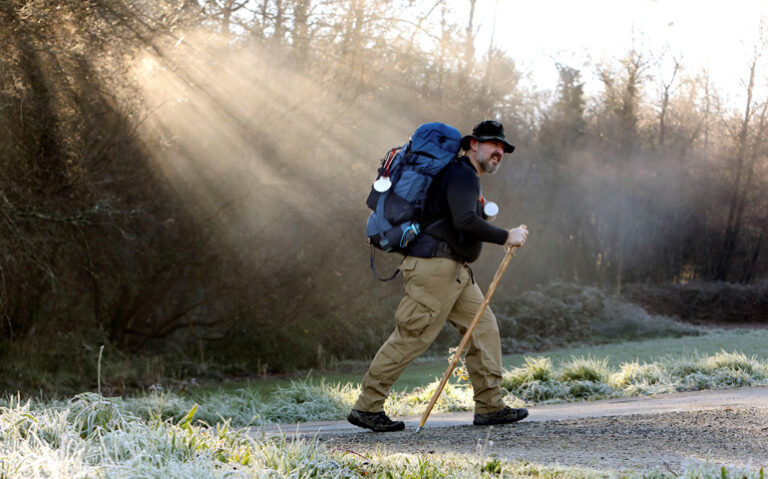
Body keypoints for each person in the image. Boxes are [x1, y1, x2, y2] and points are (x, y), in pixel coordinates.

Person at [348, 120, 530, 432]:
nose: (499, 151)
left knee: (483, 328)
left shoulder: (463, 175)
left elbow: (461, 219)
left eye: (502, 147)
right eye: (492, 144)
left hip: (454, 271)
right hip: (435, 269)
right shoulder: (461, 174)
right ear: (473, 144)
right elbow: (464, 222)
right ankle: (367, 407)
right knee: (412, 336)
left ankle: (490, 406)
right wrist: (505, 235)